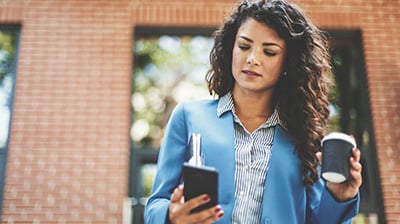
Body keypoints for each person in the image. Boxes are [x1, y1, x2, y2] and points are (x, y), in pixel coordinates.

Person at [144, 0, 362, 223]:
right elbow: (156, 204)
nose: (252, 59)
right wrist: (170, 216)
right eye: (244, 46)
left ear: (288, 63)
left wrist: (339, 196)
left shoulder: (304, 136)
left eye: (269, 52)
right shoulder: (188, 116)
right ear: (231, 48)